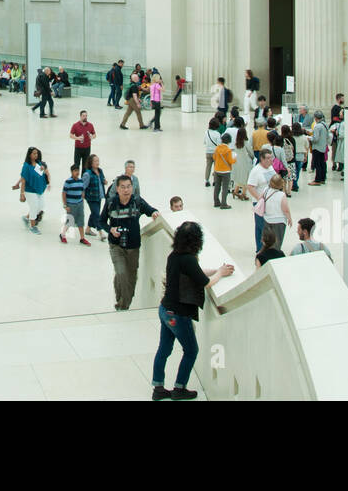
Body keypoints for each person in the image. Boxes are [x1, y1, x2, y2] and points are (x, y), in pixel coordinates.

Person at [151, 221, 234, 400]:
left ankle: (158, 388)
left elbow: (196, 272)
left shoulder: (174, 256)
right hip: (178, 315)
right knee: (191, 350)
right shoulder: (188, 259)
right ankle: (179, 388)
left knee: (164, 349)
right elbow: (206, 283)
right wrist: (220, 274)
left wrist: (216, 270)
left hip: (165, 309)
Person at [102, 174, 161, 311]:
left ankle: (124, 298)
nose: (126, 190)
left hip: (133, 246)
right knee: (122, 272)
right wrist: (110, 229)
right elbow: (100, 221)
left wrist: (154, 213)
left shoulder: (137, 202)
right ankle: (123, 305)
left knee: (132, 275)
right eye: (123, 187)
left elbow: (150, 210)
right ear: (117, 189)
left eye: (128, 187)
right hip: (116, 245)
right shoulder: (111, 203)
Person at [19, 147, 50, 234]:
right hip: (30, 190)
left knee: (41, 206)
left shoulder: (39, 163)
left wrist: (45, 173)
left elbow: (42, 174)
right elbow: (23, 179)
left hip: (39, 189)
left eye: (37, 153)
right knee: (34, 206)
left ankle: (26, 217)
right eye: (34, 153)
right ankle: (33, 226)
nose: (36, 155)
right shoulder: (26, 166)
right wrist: (22, 193)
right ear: (29, 155)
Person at [260, 174, 292, 250]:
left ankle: (266, 253)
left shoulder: (266, 190)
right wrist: (289, 218)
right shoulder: (281, 195)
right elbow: (285, 209)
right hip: (279, 221)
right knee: (277, 241)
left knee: (267, 240)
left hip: (267, 219)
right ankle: (275, 254)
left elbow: (260, 199)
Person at [60, 164, 90, 246]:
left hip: (79, 204)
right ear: (72, 172)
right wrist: (65, 205)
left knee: (81, 222)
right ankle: (62, 235)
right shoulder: (68, 181)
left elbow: (82, 191)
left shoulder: (81, 181)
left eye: (78, 170)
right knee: (70, 221)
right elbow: (64, 194)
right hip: (71, 205)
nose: (77, 172)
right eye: (75, 171)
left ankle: (82, 238)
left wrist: (82, 202)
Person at [211, 132, 235, 210]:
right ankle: (224, 203)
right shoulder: (228, 150)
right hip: (226, 171)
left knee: (217, 187)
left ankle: (216, 202)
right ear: (229, 141)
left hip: (217, 170)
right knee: (225, 188)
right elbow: (231, 161)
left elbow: (214, 157)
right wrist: (235, 159)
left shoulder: (217, 148)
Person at [308, 111, 329, 185]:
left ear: (315, 118)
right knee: (322, 163)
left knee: (317, 164)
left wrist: (309, 138)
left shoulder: (317, 126)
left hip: (317, 147)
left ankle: (317, 180)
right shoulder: (325, 125)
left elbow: (315, 139)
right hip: (323, 146)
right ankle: (323, 178)